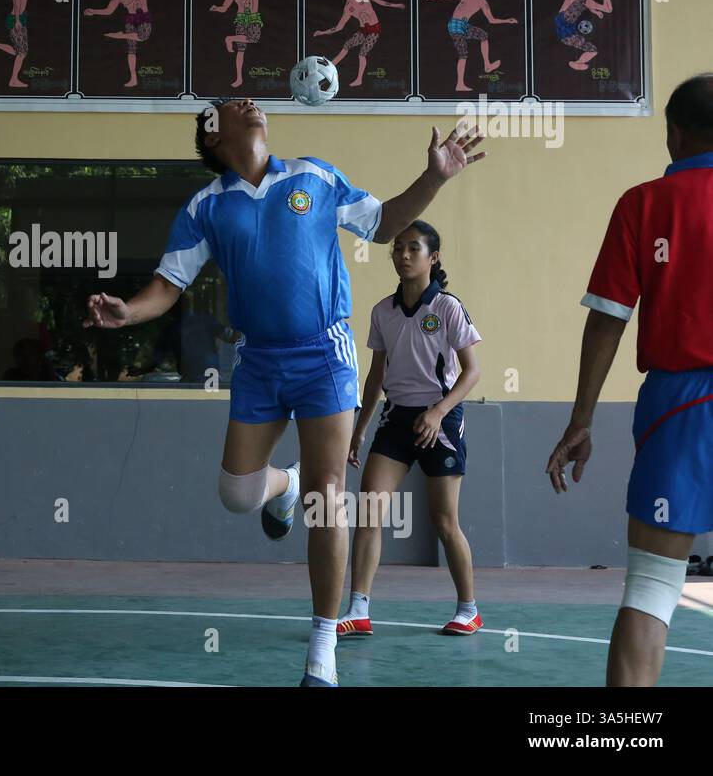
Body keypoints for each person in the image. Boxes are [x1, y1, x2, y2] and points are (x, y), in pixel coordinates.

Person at [85, 97, 485, 686]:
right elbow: (168, 285)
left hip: (324, 354)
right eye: (231, 104)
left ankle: (323, 644)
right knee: (236, 493)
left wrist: (435, 177)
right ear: (213, 135)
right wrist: (127, 312)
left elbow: (382, 223)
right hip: (257, 360)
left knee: (329, 494)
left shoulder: (313, 176)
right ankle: (284, 484)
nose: (248, 102)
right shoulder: (206, 206)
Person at [546, 73, 713, 686]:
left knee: (653, 588)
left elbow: (607, 320)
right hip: (681, 400)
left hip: (680, 405)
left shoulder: (643, 203)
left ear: (674, 135)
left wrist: (580, 420)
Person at [339, 221, 482, 638]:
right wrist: (359, 429)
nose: (403, 255)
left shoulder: (448, 307)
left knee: (444, 520)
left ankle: (469, 610)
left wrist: (438, 412)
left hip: (442, 420)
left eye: (413, 248)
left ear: (432, 257)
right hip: (396, 419)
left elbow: (472, 372)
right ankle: (359, 609)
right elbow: (375, 375)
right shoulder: (382, 311)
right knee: (369, 510)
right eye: (398, 247)